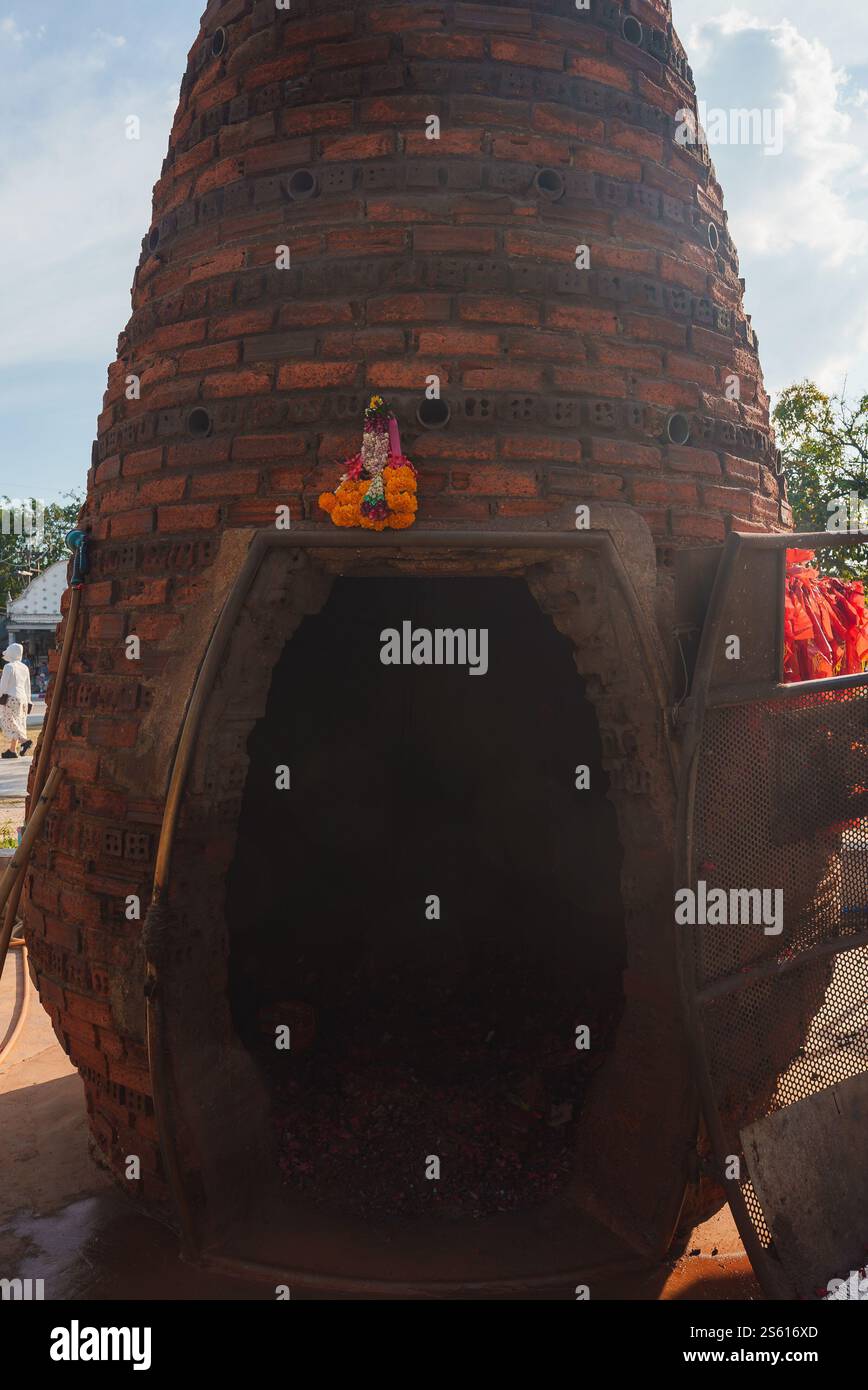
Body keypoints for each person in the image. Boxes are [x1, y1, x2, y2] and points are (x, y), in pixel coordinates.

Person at [0, 643, 33, 759]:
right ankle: (12, 750)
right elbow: (27, 685)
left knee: (9, 722)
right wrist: (29, 701)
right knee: (17, 722)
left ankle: (25, 741)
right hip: (22, 698)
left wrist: (0, 696)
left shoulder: (9, 667)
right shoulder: (24, 667)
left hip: (10, 698)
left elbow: (3, 685)